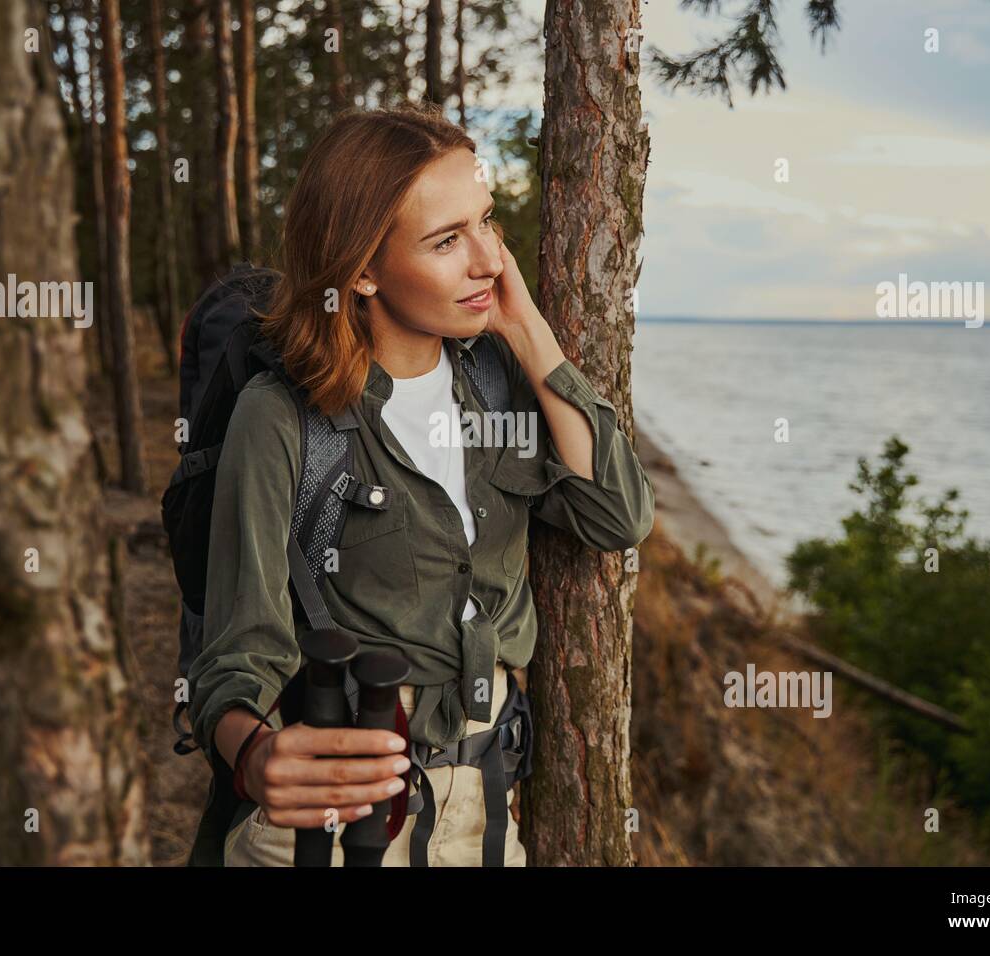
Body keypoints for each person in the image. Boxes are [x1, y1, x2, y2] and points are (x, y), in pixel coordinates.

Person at [186, 103, 656, 866]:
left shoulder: (497, 381)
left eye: (487, 222)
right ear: (362, 270)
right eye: (446, 241)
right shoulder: (280, 418)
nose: (488, 260)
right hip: (334, 826)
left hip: (482, 813)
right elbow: (236, 657)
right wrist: (254, 757)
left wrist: (528, 329)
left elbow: (617, 515)